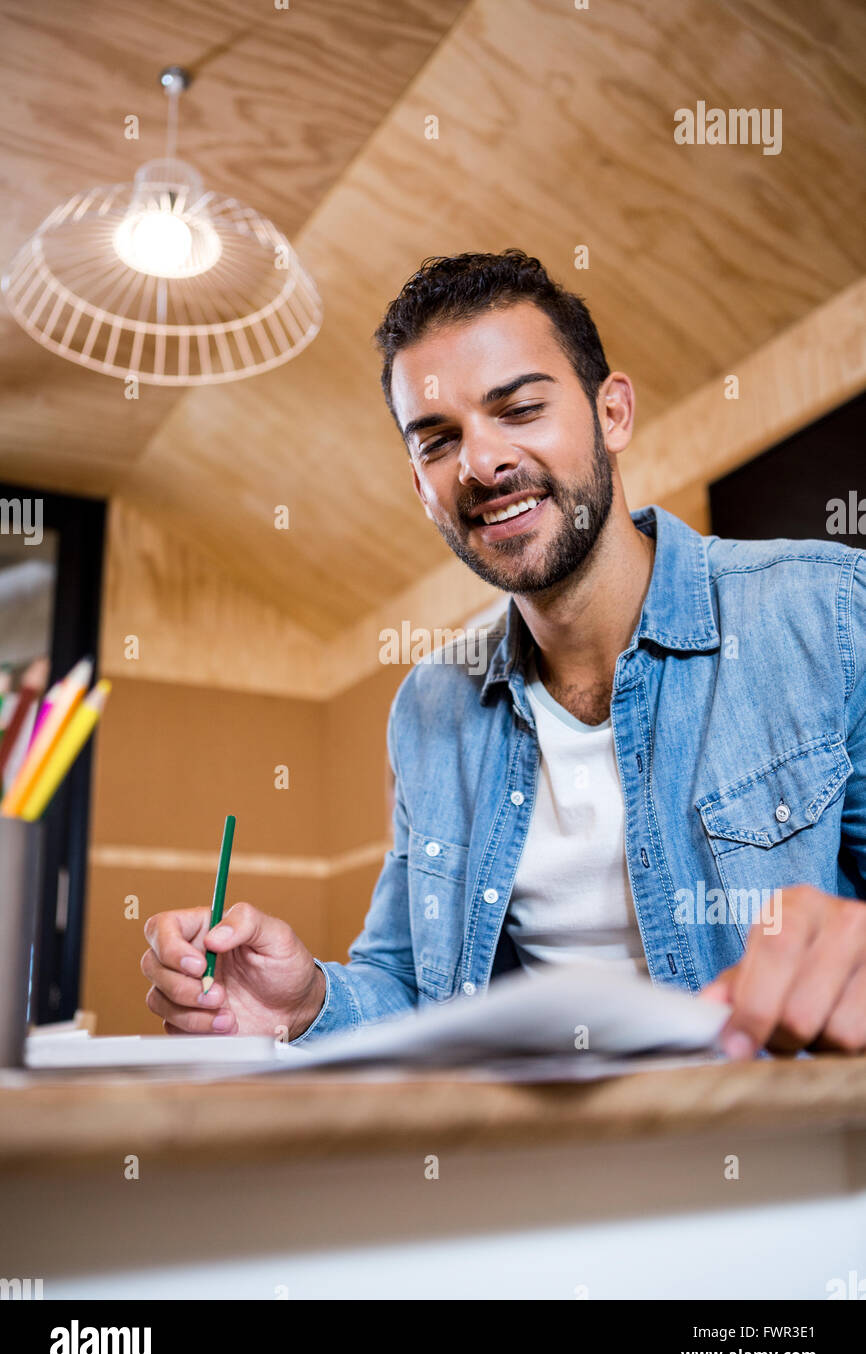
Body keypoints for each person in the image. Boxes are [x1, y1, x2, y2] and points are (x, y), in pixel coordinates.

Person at [141, 250, 866, 1059]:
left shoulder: (825, 614)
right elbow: (414, 992)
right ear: (421, 488)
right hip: (520, 1167)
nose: (481, 464)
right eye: (438, 441)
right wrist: (303, 1003)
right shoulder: (430, 704)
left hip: (776, 1159)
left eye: (518, 409)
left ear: (613, 414)